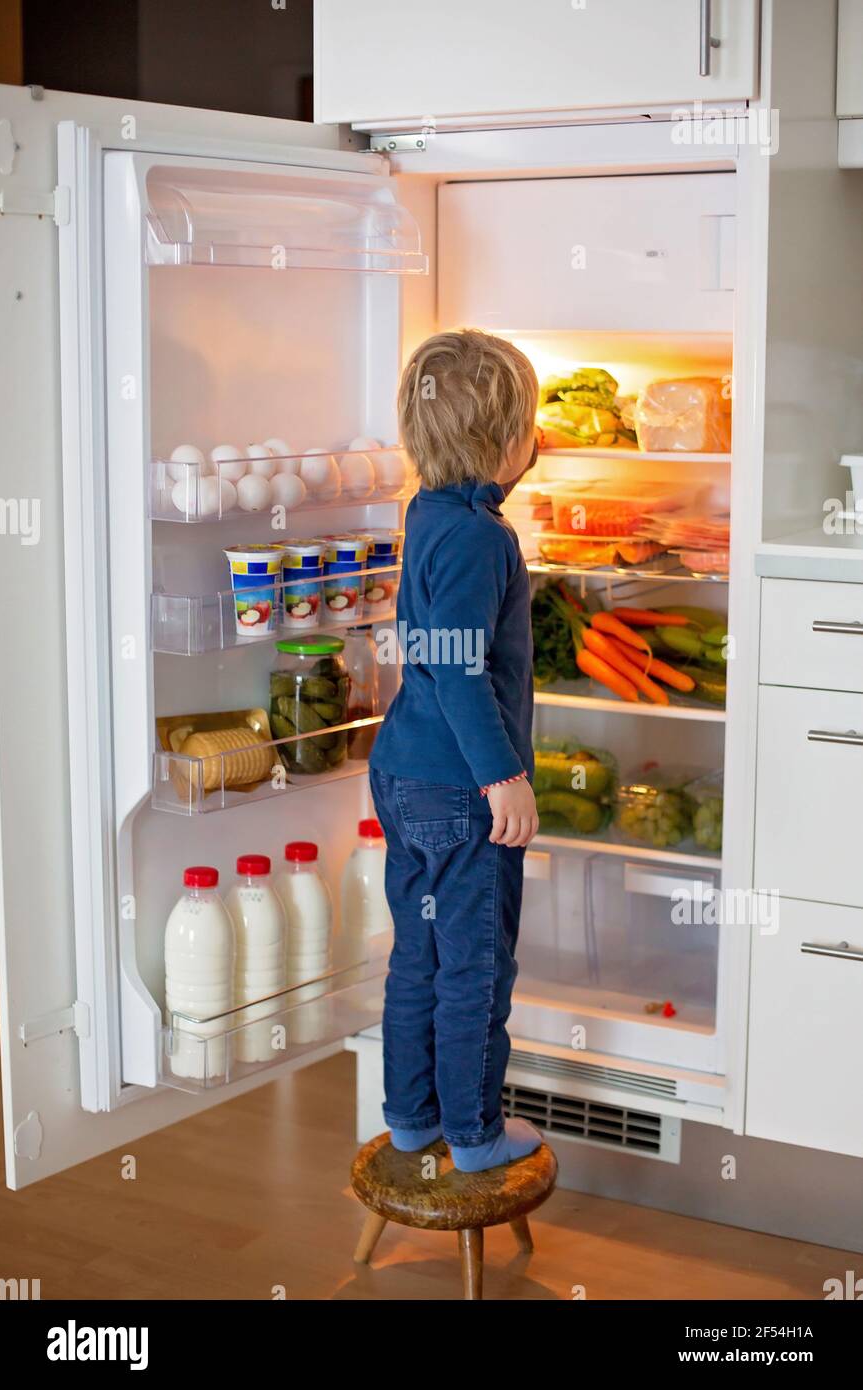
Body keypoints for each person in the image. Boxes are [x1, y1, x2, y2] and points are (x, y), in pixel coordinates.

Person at [369, 329, 543, 1172]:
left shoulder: (431, 511)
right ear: (502, 443)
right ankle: (474, 1136)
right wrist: (503, 777)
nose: (538, 441)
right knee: (473, 967)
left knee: (421, 955)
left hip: (404, 774)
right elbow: (460, 666)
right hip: (460, 788)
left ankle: (412, 1118)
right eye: (530, 427)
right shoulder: (483, 537)